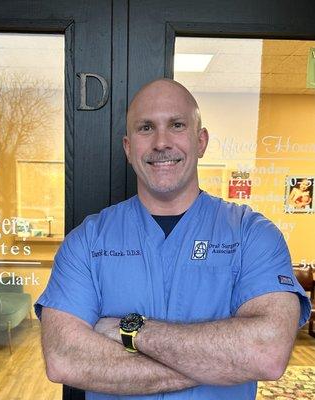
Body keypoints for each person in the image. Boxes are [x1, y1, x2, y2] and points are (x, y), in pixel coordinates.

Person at [34, 79, 311, 400]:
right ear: (128, 148)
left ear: (201, 141)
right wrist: (221, 361)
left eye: (177, 125)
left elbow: (267, 352)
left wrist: (132, 331)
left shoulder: (252, 234)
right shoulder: (87, 241)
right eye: (146, 128)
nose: (161, 142)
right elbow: (64, 358)